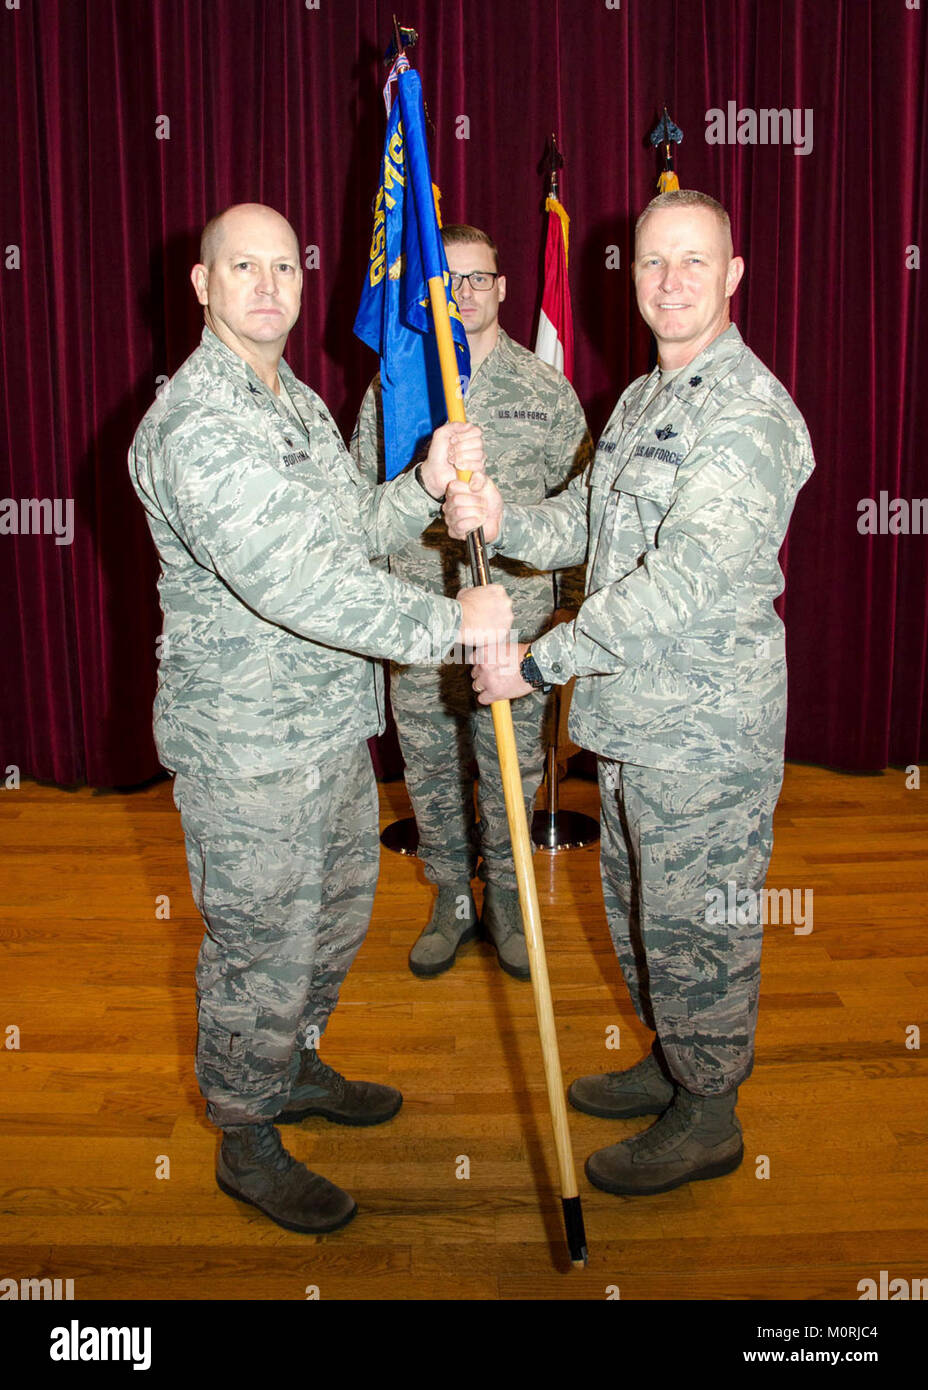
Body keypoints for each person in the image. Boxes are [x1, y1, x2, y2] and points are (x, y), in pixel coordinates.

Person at [128, 203, 512, 1234]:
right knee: (258, 943)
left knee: (334, 917)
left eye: (283, 267)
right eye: (239, 266)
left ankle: (291, 1066)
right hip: (248, 747)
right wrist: (455, 625)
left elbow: (345, 529)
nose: (266, 284)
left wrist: (422, 485)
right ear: (202, 285)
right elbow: (298, 584)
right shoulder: (194, 424)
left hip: (330, 728)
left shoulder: (291, 400)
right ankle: (246, 1133)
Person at [445, 190, 815, 1196]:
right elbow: (590, 532)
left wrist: (535, 661)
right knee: (644, 913)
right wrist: (503, 513)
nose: (670, 281)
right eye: (654, 262)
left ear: (733, 276)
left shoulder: (742, 413)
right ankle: (670, 1061)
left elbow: (679, 583)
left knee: (697, 926)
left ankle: (708, 1111)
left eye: (694, 261)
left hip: (702, 730)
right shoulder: (647, 397)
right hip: (633, 722)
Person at [352, 224, 592, 980]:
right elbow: (359, 496)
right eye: (447, 281)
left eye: (479, 278)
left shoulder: (545, 389)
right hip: (421, 618)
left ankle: (511, 905)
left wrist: (568, 613)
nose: (463, 293)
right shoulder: (398, 386)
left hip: (512, 627)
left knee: (511, 772)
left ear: (505, 287)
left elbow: (583, 508)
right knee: (430, 770)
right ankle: (453, 898)